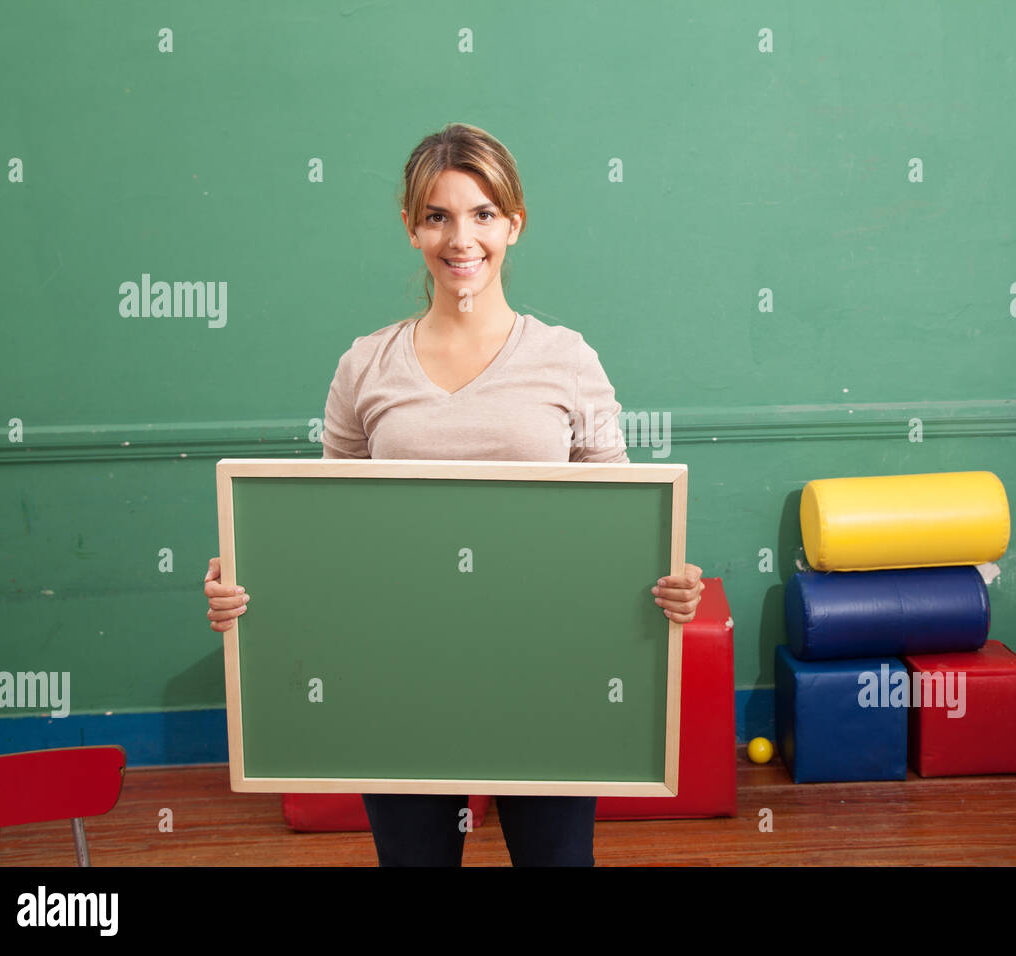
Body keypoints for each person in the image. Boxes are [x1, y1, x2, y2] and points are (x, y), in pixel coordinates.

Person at [203, 122, 704, 866]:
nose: (460, 238)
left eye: (482, 215)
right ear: (410, 228)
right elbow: (325, 524)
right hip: (398, 674)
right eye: (437, 215)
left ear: (514, 225)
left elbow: (625, 512)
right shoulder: (365, 365)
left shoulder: (565, 359)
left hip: (548, 666)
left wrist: (676, 580)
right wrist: (246, 577)